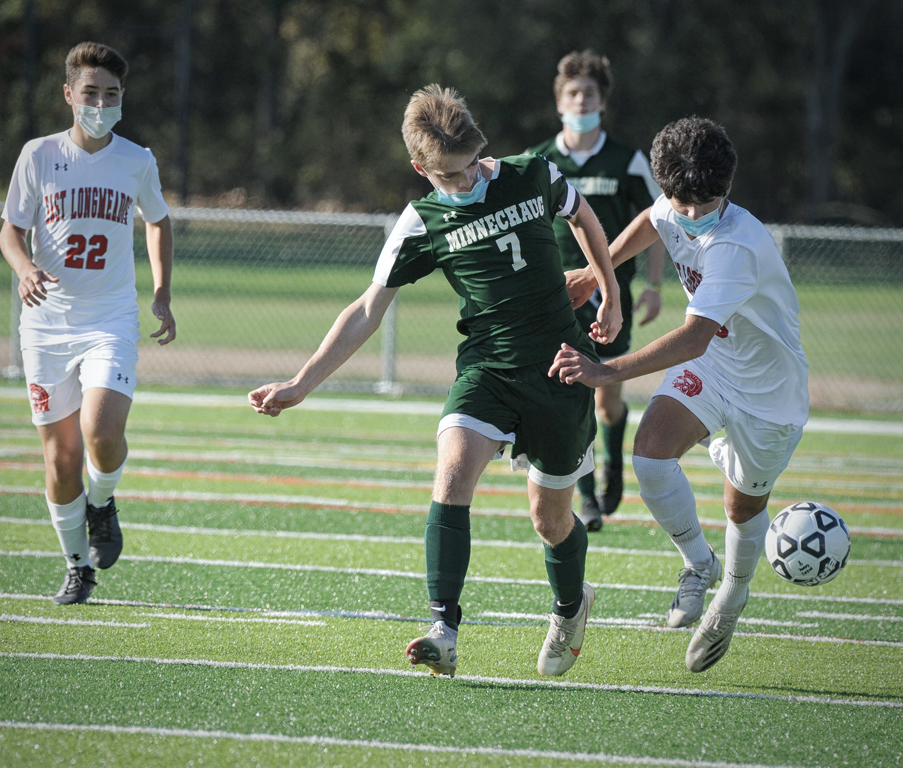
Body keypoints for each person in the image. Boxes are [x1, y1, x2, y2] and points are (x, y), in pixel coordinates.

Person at [249, 84, 621, 678]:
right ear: (421, 168)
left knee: (550, 520)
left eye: (473, 163)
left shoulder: (534, 173)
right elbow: (369, 308)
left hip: (559, 367)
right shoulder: (422, 220)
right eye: (451, 174)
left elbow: (583, 217)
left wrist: (611, 288)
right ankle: (443, 629)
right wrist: (301, 383)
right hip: (487, 369)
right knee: (450, 472)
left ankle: (572, 608)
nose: (468, 179)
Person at [550, 116, 809, 672]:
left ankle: (732, 597)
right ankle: (698, 563)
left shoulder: (735, 246)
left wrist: (606, 371)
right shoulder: (675, 203)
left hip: (768, 394)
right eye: (682, 201)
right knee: (650, 454)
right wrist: (600, 274)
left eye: (705, 202)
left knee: (742, 505)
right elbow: (653, 218)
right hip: (716, 366)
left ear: (728, 190)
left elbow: (692, 337)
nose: (690, 215)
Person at [0, 42, 176, 606]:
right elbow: (9, 231)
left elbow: (158, 222)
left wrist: (162, 293)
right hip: (46, 324)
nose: (101, 102)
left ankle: (102, 502)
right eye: (92, 92)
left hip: (111, 319)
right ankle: (77, 566)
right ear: (69, 95)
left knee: (101, 434)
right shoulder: (38, 155)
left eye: (112, 94)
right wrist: (24, 266)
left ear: (122, 99)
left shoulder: (136, 160)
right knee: (61, 457)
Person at [525, 50, 666, 532]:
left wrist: (651, 287)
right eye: (572, 92)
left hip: (611, 297)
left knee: (605, 399)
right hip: (556, 300)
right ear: (559, 100)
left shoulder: (626, 159)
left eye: (588, 92)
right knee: (569, 394)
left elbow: (656, 224)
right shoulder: (539, 161)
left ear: (602, 101)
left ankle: (612, 469)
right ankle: (584, 498)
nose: (580, 99)